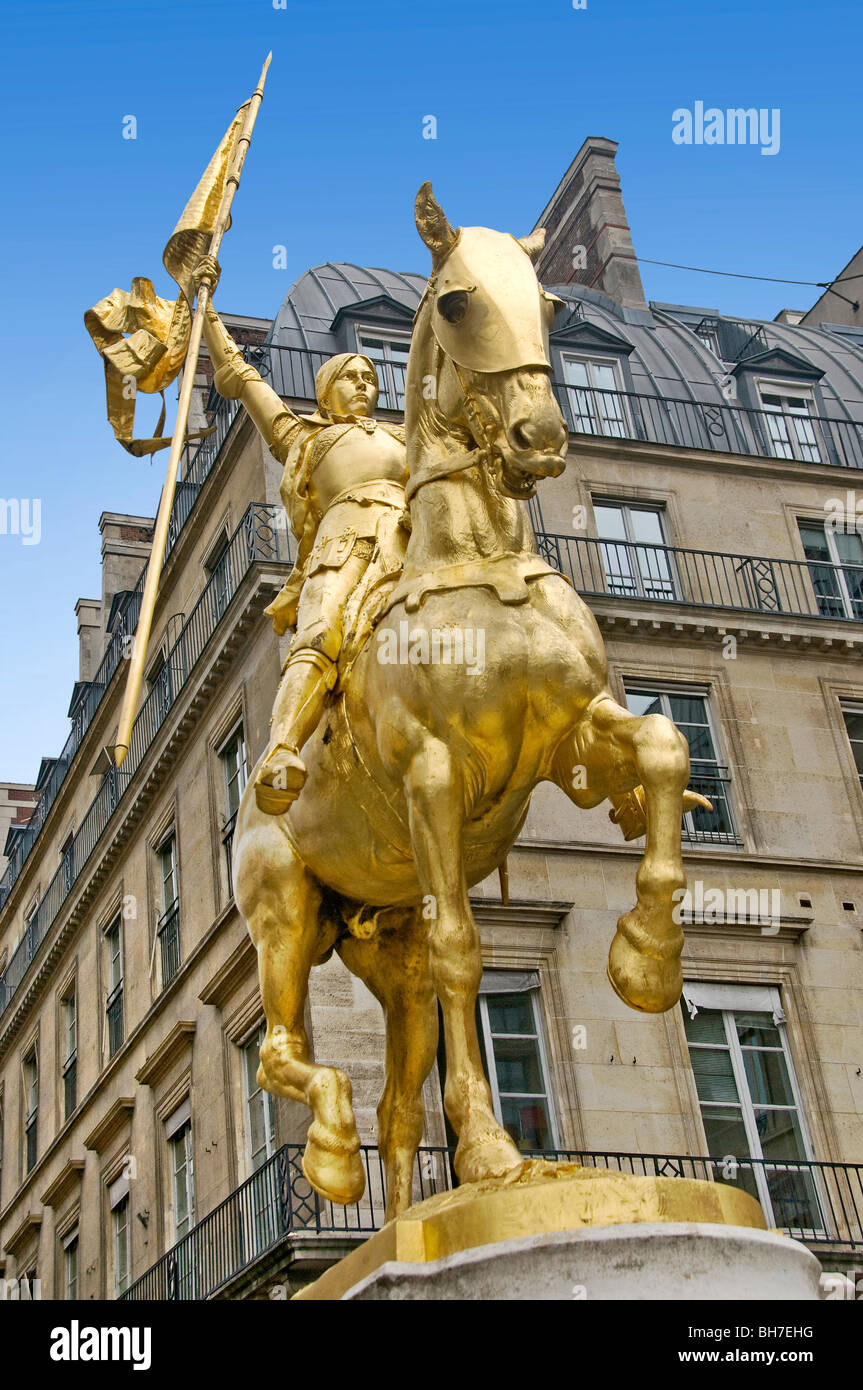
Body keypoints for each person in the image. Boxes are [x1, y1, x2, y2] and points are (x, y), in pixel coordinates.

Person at [195, 256, 409, 813]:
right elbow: (242, 380)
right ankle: (284, 748)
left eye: (370, 379)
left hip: (412, 538)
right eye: (350, 378)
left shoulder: (407, 436)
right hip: (345, 543)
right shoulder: (305, 440)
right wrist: (207, 309)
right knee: (320, 634)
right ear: (326, 390)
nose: (363, 387)